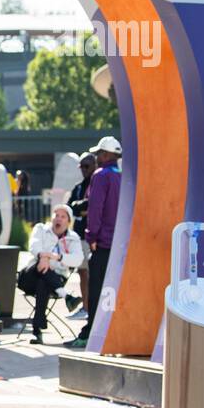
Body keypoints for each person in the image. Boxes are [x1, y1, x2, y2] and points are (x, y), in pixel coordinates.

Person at [71, 136, 122, 349]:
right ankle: (112, 332)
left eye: (100, 153)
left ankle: (91, 332)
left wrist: (91, 236)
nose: (97, 157)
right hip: (119, 242)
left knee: (96, 290)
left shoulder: (101, 176)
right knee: (115, 290)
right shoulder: (122, 175)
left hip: (102, 242)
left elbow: (95, 208)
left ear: (107, 155)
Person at [18, 205, 84, 343]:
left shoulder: (73, 238)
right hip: (30, 276)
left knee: (44, 282)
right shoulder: (41, 229)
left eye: (63, 216)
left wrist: (57, 257)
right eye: (56, 215)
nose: (58, 219)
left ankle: (37, 331)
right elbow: (34, 245)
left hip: (53, 281)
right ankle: (67, 296)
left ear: (68, 222)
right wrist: (43, 256)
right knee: (42, 267)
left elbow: (78, 259)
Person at [66, 153, 97, 319]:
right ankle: (85, 307)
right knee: (82, 272)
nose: (84, 170)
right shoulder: (78, 187)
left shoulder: (97, 184)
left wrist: (82, 209)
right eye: (82, 167)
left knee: (92, 274)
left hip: (92, 236)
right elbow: (70, 208)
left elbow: (91, 207)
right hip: (79, 236)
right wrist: (80, 209)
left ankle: (93, 309)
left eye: (87, 166)